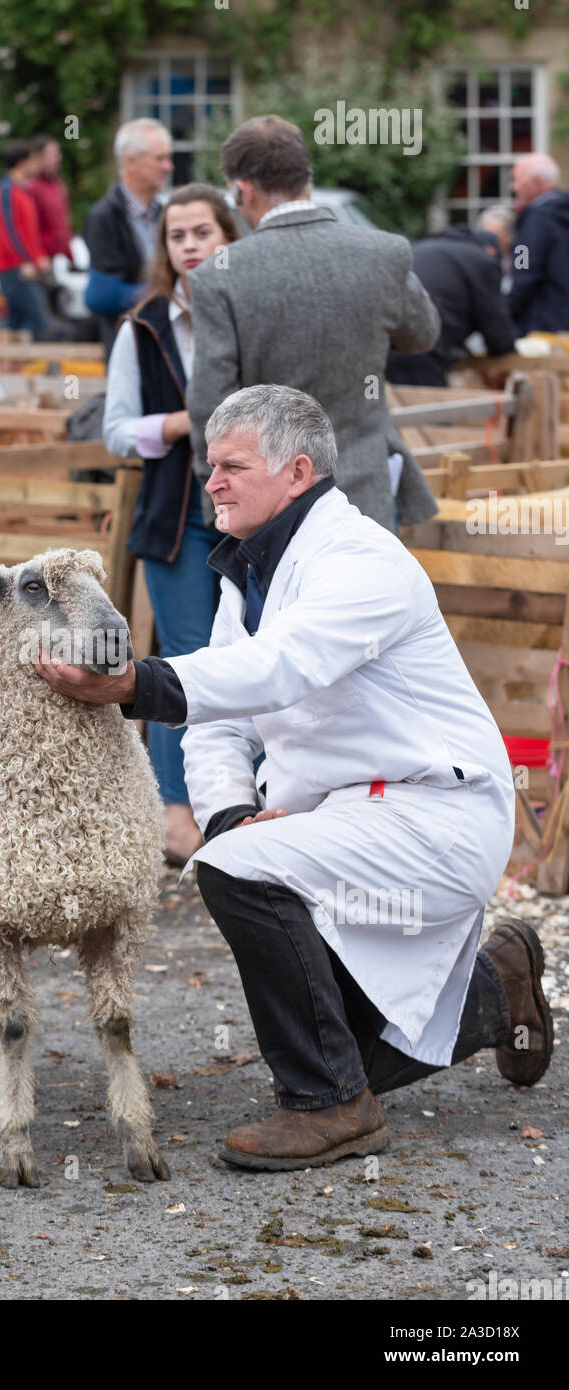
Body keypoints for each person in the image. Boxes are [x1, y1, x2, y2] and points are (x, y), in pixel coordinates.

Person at [36, 383, 551, 1172]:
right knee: (349, 1034)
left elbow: (282, 666)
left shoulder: (361, 558)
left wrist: (136, 684)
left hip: (436, 817)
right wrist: (231, 815)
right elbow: (222, 718)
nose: (211, 482)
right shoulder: (248, 574)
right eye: (211, 466)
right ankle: (496, 987)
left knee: (240, 882)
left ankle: (328, 1106)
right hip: (354, 821)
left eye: (233, 466)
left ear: (298, 471)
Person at [187, 114, 441, 534]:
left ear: (241, 189)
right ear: (307, 175)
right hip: (364, 489)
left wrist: (216, 490)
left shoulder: (219, 276)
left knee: (281, 603)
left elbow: (210, 404)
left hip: (269, 502)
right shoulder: (383, 252)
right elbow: (423, 335)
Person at [103, 183, 239, 864]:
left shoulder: (250, 310)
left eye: (202, 233)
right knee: (183, 660)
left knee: (250, 655)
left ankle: (240, 806)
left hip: (251, 517)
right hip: (177, 515)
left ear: (229, 237)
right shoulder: (145, 325)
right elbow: (117, 430)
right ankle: (175, 815)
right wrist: (186, 423)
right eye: (177, 236)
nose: (189, 246)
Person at [386, 207, 517, 386]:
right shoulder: (482, 260)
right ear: (492, 251)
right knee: (427, 411)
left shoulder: (423, 247)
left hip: (385, 343)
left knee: (394, 409)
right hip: (424, 348)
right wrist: (505, 355)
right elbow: (495, 325)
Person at [83, 118, 173, 356]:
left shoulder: (165, 212)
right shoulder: (103, 216)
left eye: (168, 158)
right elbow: (102, 297)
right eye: (160, 158)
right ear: (130, 162)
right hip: (127, 344)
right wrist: (168, 293)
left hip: (163, 340)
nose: (168, 166)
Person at [0, 140, 52, 341]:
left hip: (22, 266)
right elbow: (10, 231)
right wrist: (29, 261)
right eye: (33, 160)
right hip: (14, 267)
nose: (37, 165)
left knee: (17, 323)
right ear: (22, 162)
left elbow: (28, 232)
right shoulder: (6, 190)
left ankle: (13, 369)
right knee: (38, 321)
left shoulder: (23, 190)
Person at [509, 152, 569, 334]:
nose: (513, 187)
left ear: (535, 182)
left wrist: (507, 311)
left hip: (543, 326)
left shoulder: (534, 220)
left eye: (516, 179)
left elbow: (523, 269)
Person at [27, 135, 74, 262]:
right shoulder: (31, 186)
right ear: (38, 157)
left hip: (62, 259)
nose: (58, 158)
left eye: (58, 154)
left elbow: (64, 223)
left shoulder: (58, 184)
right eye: (53, 154)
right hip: (43, 260)